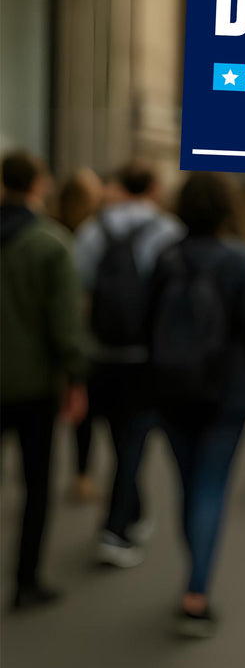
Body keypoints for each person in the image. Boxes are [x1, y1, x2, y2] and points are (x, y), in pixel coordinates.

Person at [147, 172, 245, 637]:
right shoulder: (238, 261)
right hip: (227, 395)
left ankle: (194, 567)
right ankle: (197, 592)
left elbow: (145, 326)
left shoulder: (166, 256)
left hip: (171, 391)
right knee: (211, 487)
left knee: (187, 485)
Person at [74, 160, 183, 567]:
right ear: (153, 187)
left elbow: (79, 284)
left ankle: (130, 515)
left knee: (117, 439)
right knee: (133, 442)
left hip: (101, 354)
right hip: (145, 356)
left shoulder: (93, 229)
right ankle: (116, 529)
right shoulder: (169, 231)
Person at [0, 150, 89, 609]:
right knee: (35, 485)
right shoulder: (50, 244)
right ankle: (25, 580)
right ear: (38, 183)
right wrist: (76, 376)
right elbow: (65, 324)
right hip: (33, 383)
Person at [57, 167, 105, 503]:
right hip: (91, 335)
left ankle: (81, 473)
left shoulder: (58, 231)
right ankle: (85, 475)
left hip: (68, 336)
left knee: (78, 411)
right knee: (87, 406)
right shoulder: (95, 236)